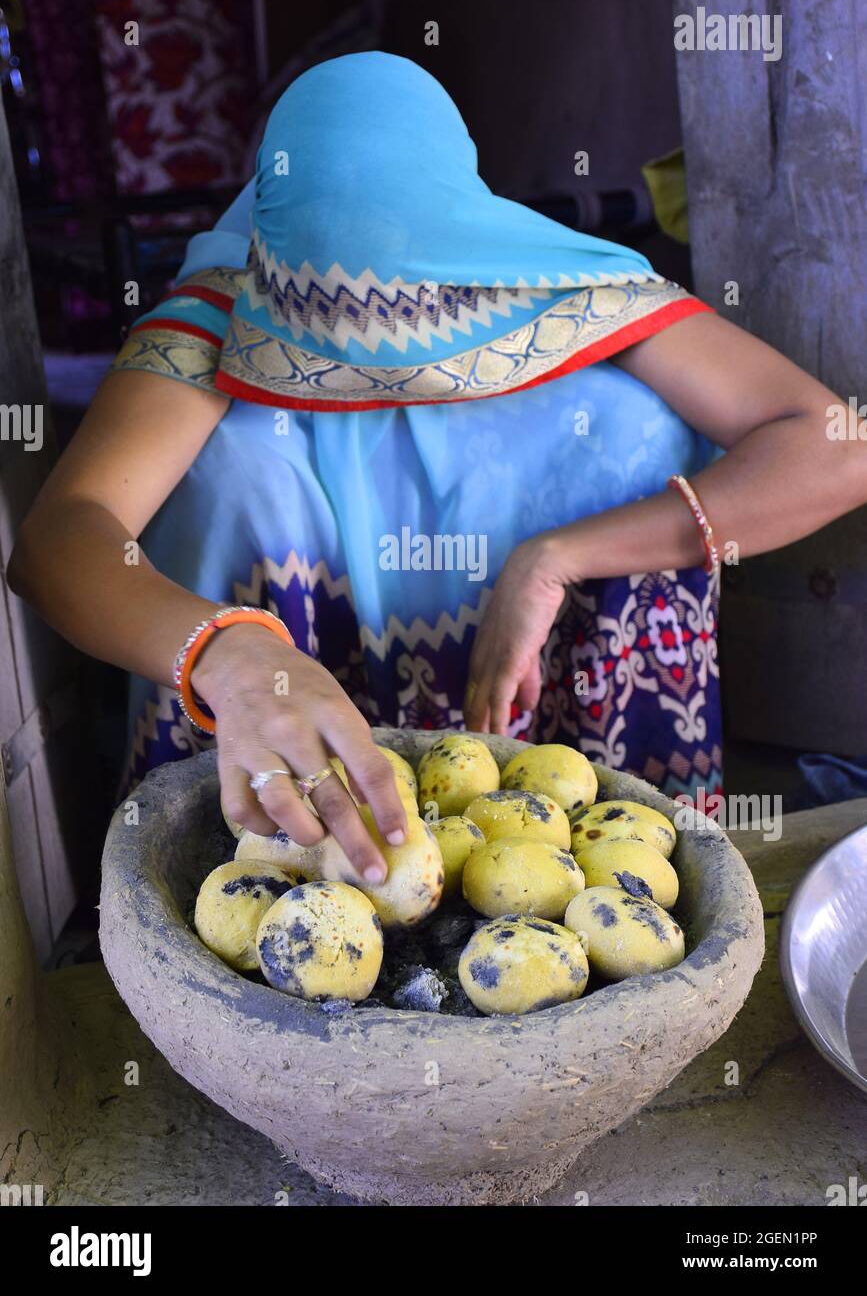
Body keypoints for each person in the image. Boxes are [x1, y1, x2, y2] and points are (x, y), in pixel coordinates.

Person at [10, 52, 867, 886]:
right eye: (329, 317)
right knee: (237, 465)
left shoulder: (565, 293)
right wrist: (229, 658)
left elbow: (834, 444)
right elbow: (61, 541)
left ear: (464, 222)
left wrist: (556, 559)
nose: (374, 342)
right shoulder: (221, 316)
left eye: (408, 298)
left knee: (628, 423)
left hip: (578, 738)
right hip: (295, 769)